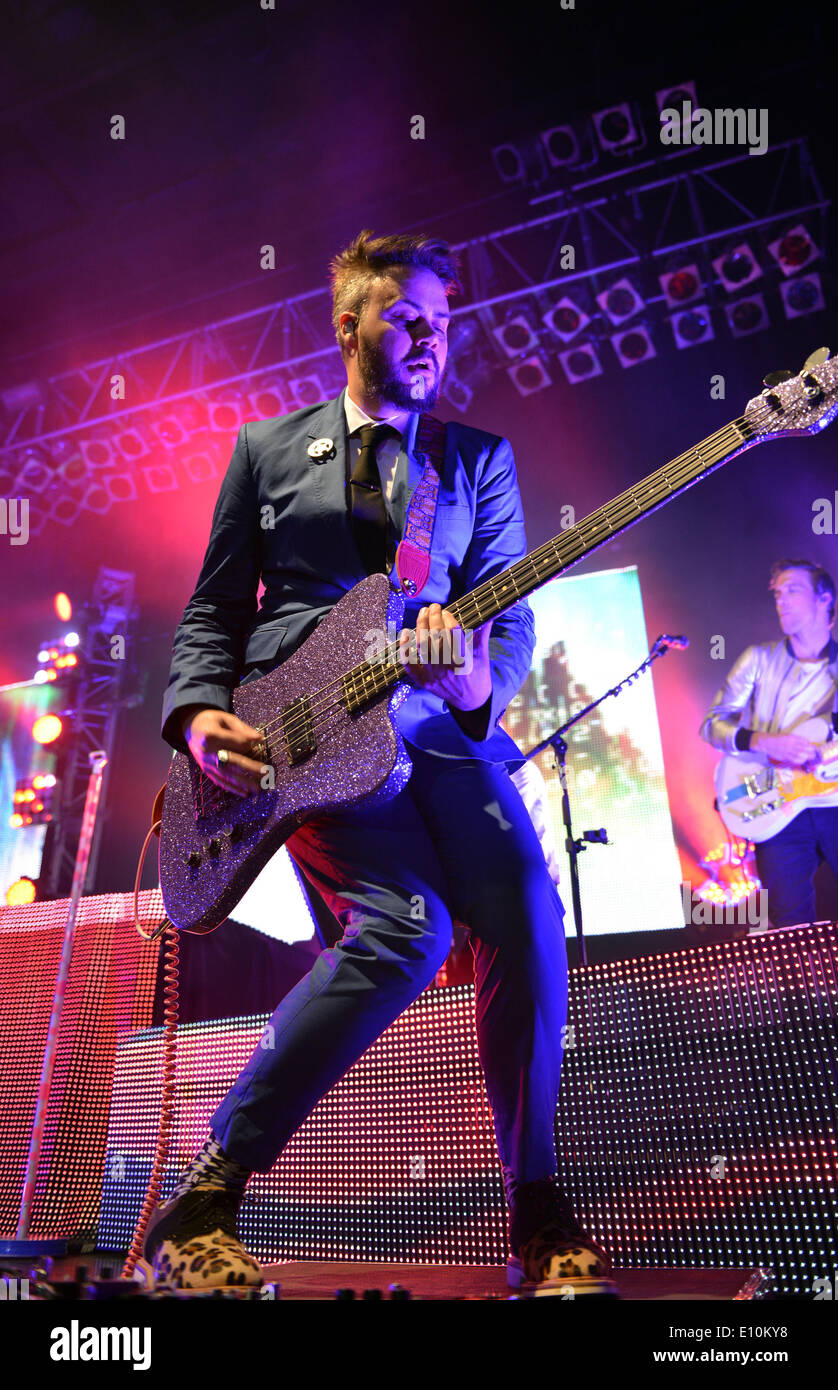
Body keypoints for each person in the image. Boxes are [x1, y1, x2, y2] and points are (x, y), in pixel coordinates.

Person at [145, 230, 615, 1297]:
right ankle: (207, 1198)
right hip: (300, 737)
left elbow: (510, 608)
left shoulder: (475, 459)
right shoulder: (267, 448)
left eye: (442, 320)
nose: (428, 336)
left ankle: (536, 1213)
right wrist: (199, 717)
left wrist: (471, 684)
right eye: (405, 315)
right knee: (405, 930)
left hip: (437, 731)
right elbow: (214, 610)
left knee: (529, 916)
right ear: (348, 322)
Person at [700, 558, 838, 929]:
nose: (782, 600)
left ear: (825, 599)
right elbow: (712, 725)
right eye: (778, 593)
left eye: (794, 590)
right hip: (775, 807)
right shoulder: (758, 659)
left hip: (834, 799)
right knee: (789, 925)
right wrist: (763, 741)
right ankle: (806, 989)